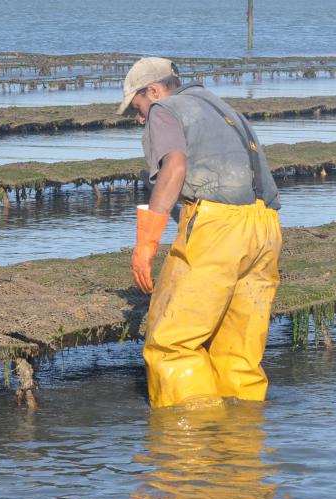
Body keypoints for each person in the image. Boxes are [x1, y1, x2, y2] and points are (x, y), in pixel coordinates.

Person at [118, 57, 283, 409]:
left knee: (172, 344)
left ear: (153, 90)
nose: (139, 118)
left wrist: (146, 243)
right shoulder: (220, 107)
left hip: (217, 227)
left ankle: (188, 446)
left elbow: (175, 167)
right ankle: (241, 446)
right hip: (265, 227)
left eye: (137, 107)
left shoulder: (165, 110)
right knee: (237, 351)